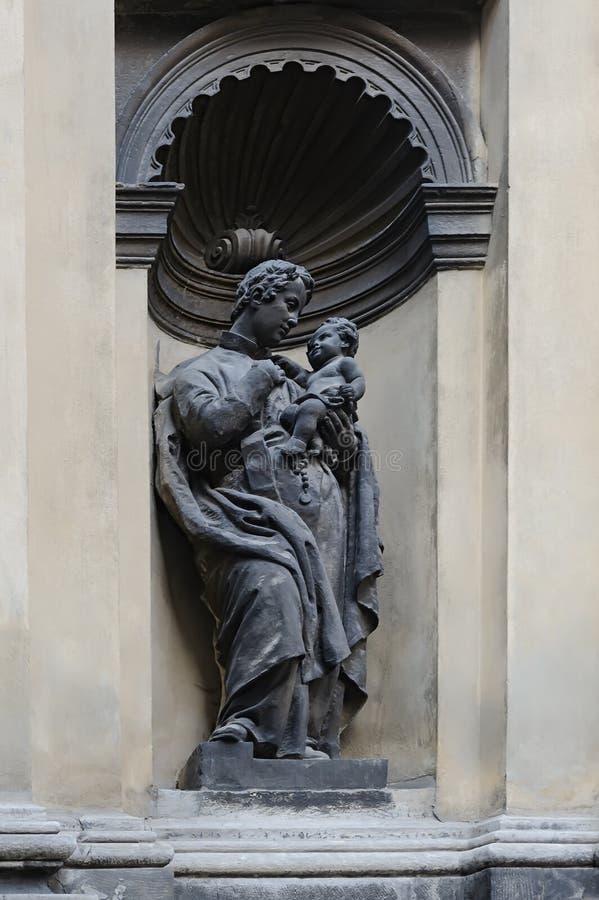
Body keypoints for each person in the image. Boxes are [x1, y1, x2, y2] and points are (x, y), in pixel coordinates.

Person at [154, 259, 381, 761]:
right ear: (256, 296)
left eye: (299, 309)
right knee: (271, 589)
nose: (292, 320)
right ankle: (251, 725)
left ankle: (307, 739)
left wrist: (343, 441)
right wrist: (254, 386)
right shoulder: (202, 370)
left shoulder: (296, 380)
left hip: (321, 518)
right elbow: (206, 432)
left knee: (320, 616)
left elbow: (337, 445)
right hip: (243, 519)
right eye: (288, 304)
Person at [279, 316, 365, 457]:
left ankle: (298, 443)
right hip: (314, 404)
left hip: (333, 402)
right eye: (311, 345)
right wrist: (287, 364)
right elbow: (300, 375)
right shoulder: (313, 375)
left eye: (323, 338)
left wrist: (353, 391)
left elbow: (358, 379)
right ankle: (315, 441)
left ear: (344, 342)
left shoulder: (343, 362)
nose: (316, 344)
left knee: (310, 408)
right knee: (288, 414)